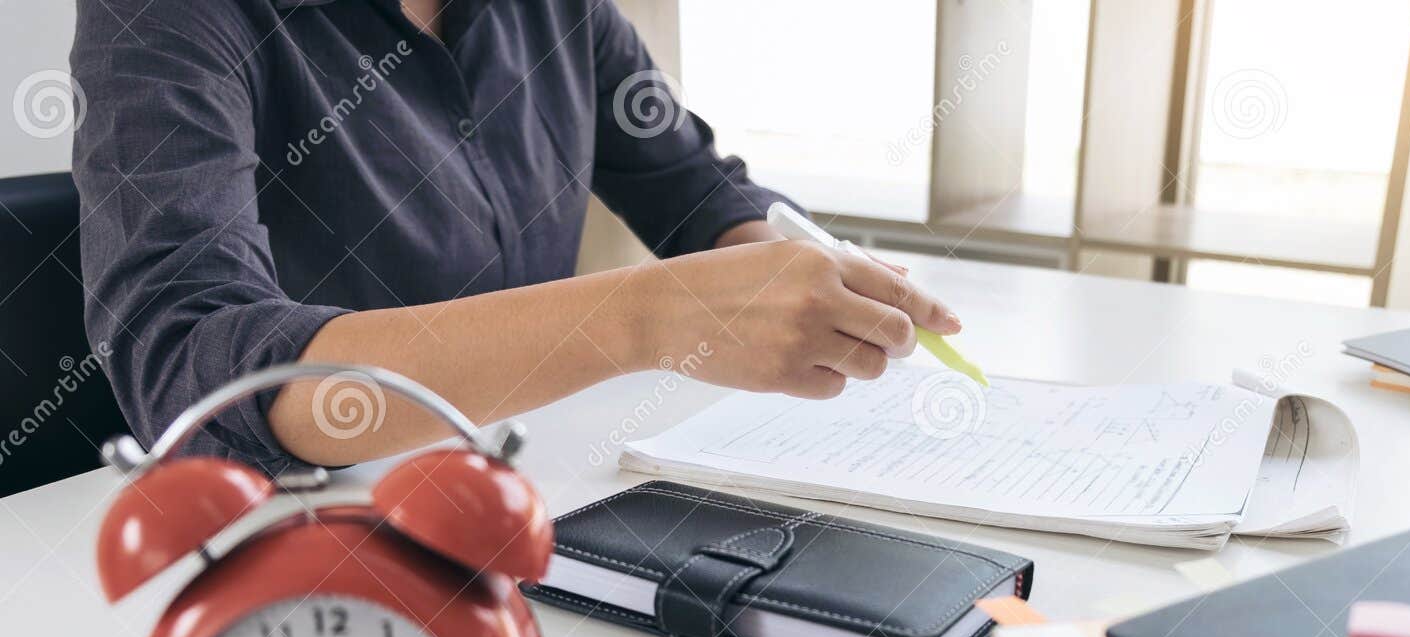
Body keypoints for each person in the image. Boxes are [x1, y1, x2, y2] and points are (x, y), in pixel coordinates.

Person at [71, 0, 962, 474]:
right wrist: (646, 319)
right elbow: (193, 370)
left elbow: (697, 192)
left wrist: (804, 267)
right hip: (311, 575)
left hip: (532, 509)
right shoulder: (166, 11)